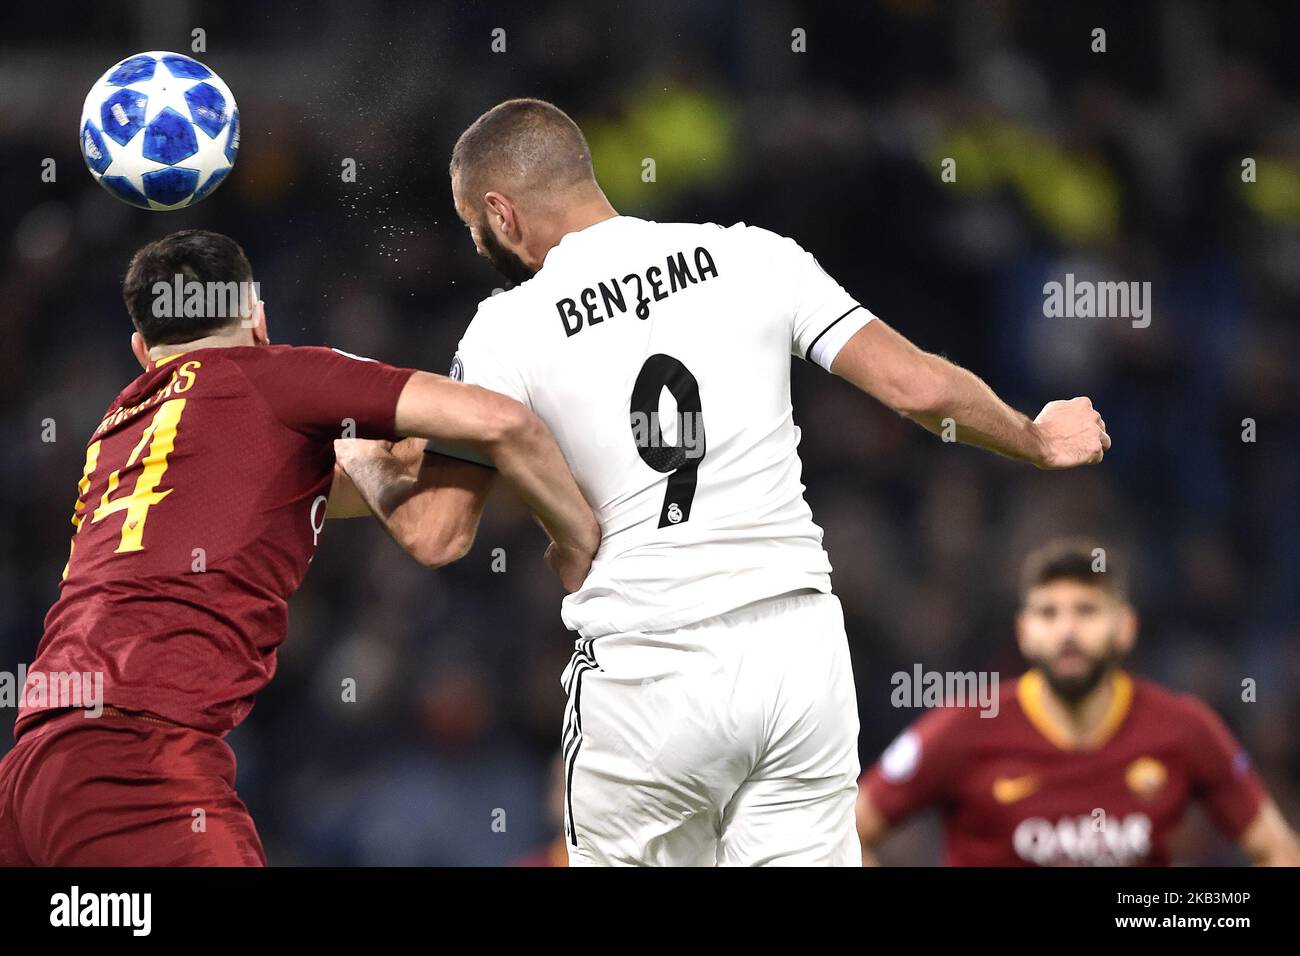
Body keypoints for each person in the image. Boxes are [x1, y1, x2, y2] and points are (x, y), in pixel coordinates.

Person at [334, 98, 1110, 866]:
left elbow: (438, 530)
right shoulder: (753, 254)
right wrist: (1033, 438)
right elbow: (920, 390)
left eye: (475, 228)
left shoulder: (507, 330)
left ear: (501, 214)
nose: (480, 247)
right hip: (795, 649)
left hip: (649, 663)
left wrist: (356, 445)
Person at [0, 229, 598, 866]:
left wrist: (360, 456)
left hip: (33, 769)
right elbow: (502, 419)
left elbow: (323, 491)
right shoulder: (278, 375)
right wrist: (577, 542)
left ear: (143, 351)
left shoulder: (117, 429)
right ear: (258, 320)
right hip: (137, 765)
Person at [856, 539, 1300, 866]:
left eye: (1086, 611)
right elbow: (846, 832)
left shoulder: (1184, 729)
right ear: (1024, 632)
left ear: (1125, 627)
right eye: (1049, 614)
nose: (1067, 632)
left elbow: (1277, 850)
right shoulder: (963, 728)